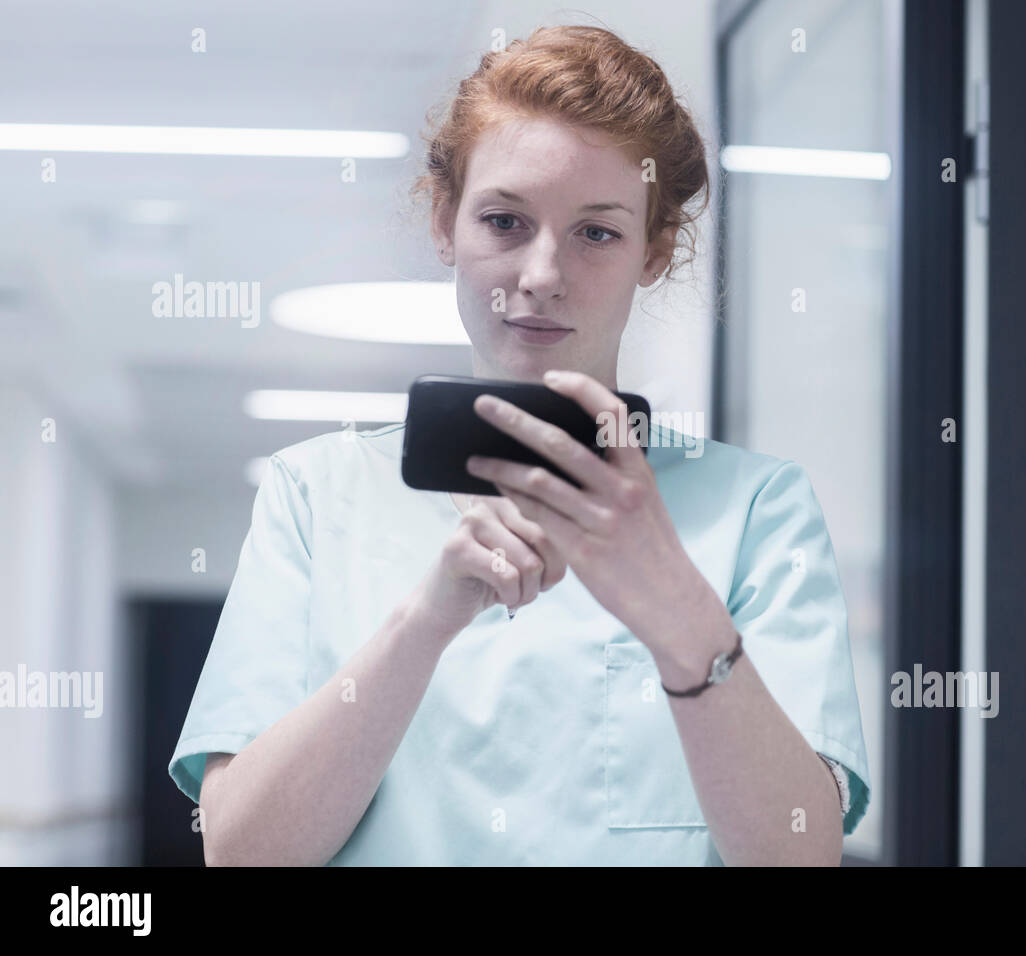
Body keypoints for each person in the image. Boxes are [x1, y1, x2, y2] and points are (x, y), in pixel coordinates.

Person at [167, 23, 870, 866]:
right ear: (444, 223)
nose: (542, 273)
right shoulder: (315, 494)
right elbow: (240, 853)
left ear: (654, 251)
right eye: (505, 220)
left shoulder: (756, 511)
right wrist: (426, 622)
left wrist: (677, 610)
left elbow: (801, 854)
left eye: (597, 233)